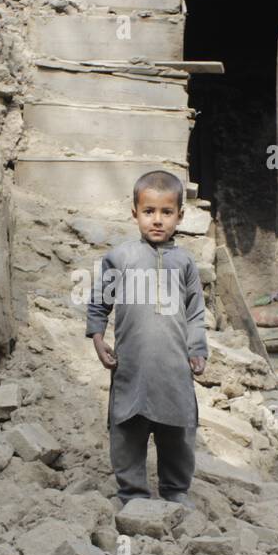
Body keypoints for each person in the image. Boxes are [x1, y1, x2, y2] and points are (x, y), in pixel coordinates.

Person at [85, 169, 208, 509]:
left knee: (179, 432)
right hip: (131, 366)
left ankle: (176, 491)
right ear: (134, 212)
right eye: (149, 212)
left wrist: (197, 350)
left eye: (166, 212)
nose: (157, 220)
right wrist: (97, 338)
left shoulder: (184, 263)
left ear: (180, 216)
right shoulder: (120, 257)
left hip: (173, 370)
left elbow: (196, 313)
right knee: (127, 429)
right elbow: (99, 301)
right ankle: (132, 494)